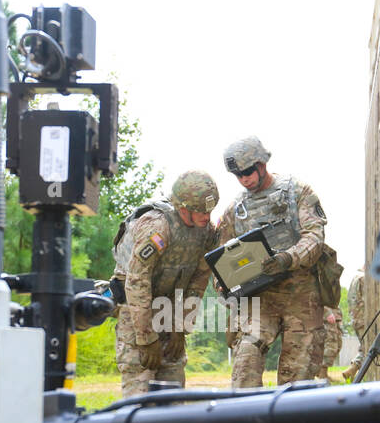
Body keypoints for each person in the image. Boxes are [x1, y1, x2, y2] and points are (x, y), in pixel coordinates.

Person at [219, 135, 326, 388]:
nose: (244, 179)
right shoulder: (235, 209)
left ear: (262, 164)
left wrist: (288, 258)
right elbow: (221, 256)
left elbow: (315, 236)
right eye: (238, 175)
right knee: (245, 361)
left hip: (300, 297)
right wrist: (224, 284)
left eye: (247, 172)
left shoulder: (297, 191)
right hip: (260, 299)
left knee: (296, 379)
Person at [111, 170, 219, 397]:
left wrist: (181, 327)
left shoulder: (206, 233)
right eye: (200, 211)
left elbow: (198, 282)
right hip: (135, 308)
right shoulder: (158, 226)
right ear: (182, 207)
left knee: (173, 388)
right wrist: (145, 336)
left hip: (168, 308)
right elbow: (137, 280)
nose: (206, 217)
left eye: (209, 211)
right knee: (138, 388)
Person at [343, 267, 367, 381]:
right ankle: (353, 369)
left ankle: (353, 371)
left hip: (355, 318)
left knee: (364, 346)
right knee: (368, 347)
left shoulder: (355, 279)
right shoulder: (364, 279)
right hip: (363, 318)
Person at [318, 305, 343, 380]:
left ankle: (324, 372)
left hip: (335, 314)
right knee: (331, 346)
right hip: (326, 314)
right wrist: (326, 312)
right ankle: (322, 374)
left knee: (338, 345)